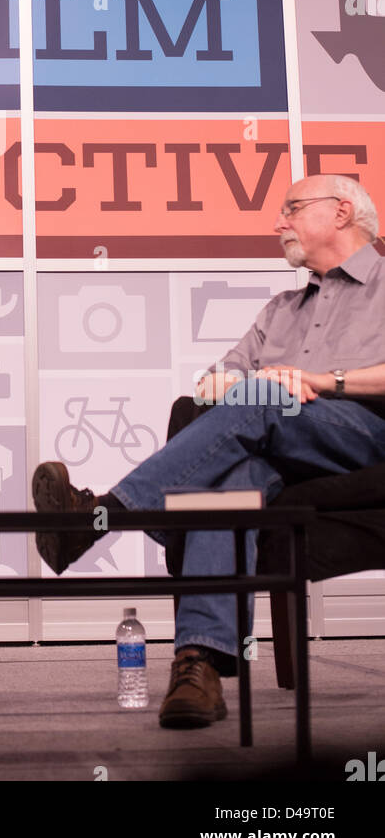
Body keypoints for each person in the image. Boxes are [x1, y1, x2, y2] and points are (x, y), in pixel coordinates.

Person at [32, 173, 385, 729]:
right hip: (274, 442)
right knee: (229, 481)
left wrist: (317, 380)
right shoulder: (281, 309)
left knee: (265, 394)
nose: (278, 222)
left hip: (363, 438)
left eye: (292, 208)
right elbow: (213, 383)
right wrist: (241, 385)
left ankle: (102, 516)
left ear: (342, 212)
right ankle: (198, 666)